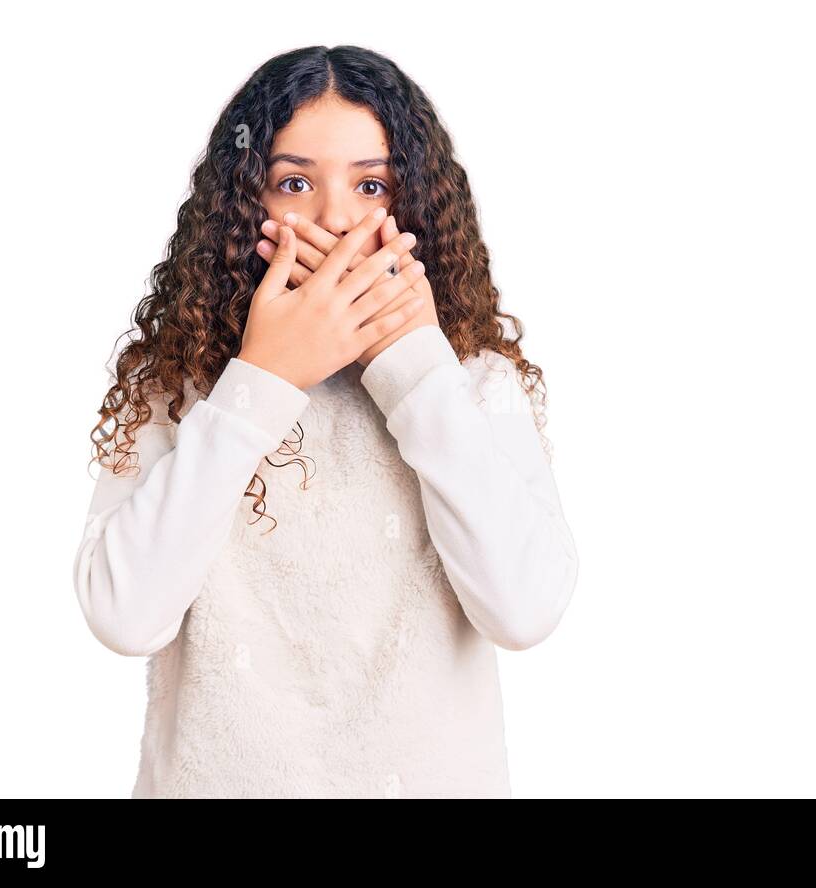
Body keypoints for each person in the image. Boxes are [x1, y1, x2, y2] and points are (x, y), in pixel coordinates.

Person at [71, 45, 578, 798]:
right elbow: (123, 616)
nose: (335, 218)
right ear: (247, 202)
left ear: (413, 206)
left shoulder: (473, 381)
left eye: (371, 184)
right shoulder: (177, 384)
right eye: (295, 182)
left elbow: (526, 609)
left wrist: (417, 370)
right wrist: (261, 379)